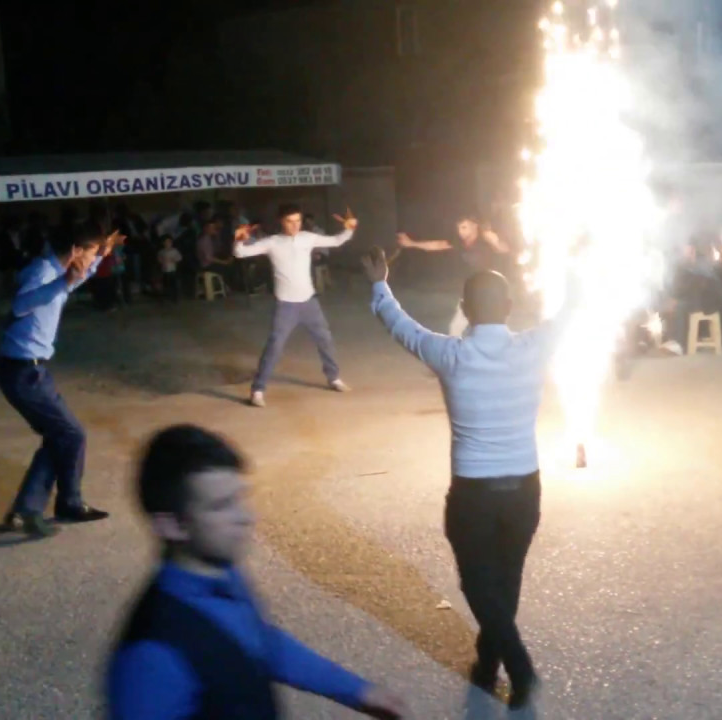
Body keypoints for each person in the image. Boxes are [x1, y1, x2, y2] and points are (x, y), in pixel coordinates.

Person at [360, 247, 574, 709]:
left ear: (464, 310)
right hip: (523, 489)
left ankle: (517, 666)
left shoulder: (451, 354)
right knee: (506, 579)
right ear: (510, 308)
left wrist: (381, 285)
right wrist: (577, 271)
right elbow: (573, 312)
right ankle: (486, 664)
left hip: (473, 493)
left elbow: (402, 328)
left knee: (478, 585)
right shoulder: (535, 346)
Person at [106, 424, 409, 719]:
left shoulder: (219, 571)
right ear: (170, 525)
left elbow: (256, 641)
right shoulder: (150, 655)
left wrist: (356, 691)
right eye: (221, 506)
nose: (246, 517)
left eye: (240, 498)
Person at [0, 221, 122, 537]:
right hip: (23, 372)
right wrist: (63, 281)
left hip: (29, 370)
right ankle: (56, 506)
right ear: (76, 251)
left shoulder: (56, 271)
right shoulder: (43, 273)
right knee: (71, 434)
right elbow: (21, 305)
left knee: (61, 435)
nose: (91, 262)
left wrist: (101, 256)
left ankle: (41, 508)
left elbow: (71, 283)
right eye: (90, 255)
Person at [233, 204, 358, 407]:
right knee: (275, 347)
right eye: (290, 221)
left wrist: (349, 228)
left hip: (309, 302)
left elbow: (336, 241)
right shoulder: (272, 242)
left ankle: (333, 378)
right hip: (286, 306)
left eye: (298, 221)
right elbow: (241, 253)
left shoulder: (308, 238)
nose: (295, 225)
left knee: (325, 339)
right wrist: (239, 239)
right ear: (281, 222)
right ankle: (258, 389)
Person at [395, 216, 511, 336]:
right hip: (472, 292)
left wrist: (495, 241)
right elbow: (438, 245)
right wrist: (411, 243)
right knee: (456, 328)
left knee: (494, 326)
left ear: (474, 226)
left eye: (464, 227)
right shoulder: (460, 243)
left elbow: (504, 249)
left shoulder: (484, 239)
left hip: (490, 291)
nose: (460, 232)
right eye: (459, 228)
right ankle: (460, 351)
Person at [158, 235, 183, 303]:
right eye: (166, 242)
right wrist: (162, 261)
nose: (168, 243)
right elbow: (159, 259)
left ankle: (175, 297)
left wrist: (173, 260)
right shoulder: (161, 251)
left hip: (172, 270)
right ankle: (167, 296)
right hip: (165, 270)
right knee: (166, 284)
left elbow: (179, 258)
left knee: (174, 284)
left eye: (169, 242)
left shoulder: (174, 251)